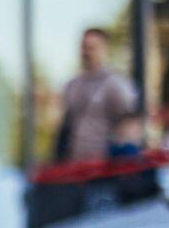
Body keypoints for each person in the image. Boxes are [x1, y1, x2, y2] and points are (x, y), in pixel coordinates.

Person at [58, 28, 139, 161]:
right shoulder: (72, 85)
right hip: (76, 167)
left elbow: (130, 127)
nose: (87, 52)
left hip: (104, 168)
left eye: (92, 48)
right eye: (84, 47)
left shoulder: (116, 85)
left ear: (105, 49)